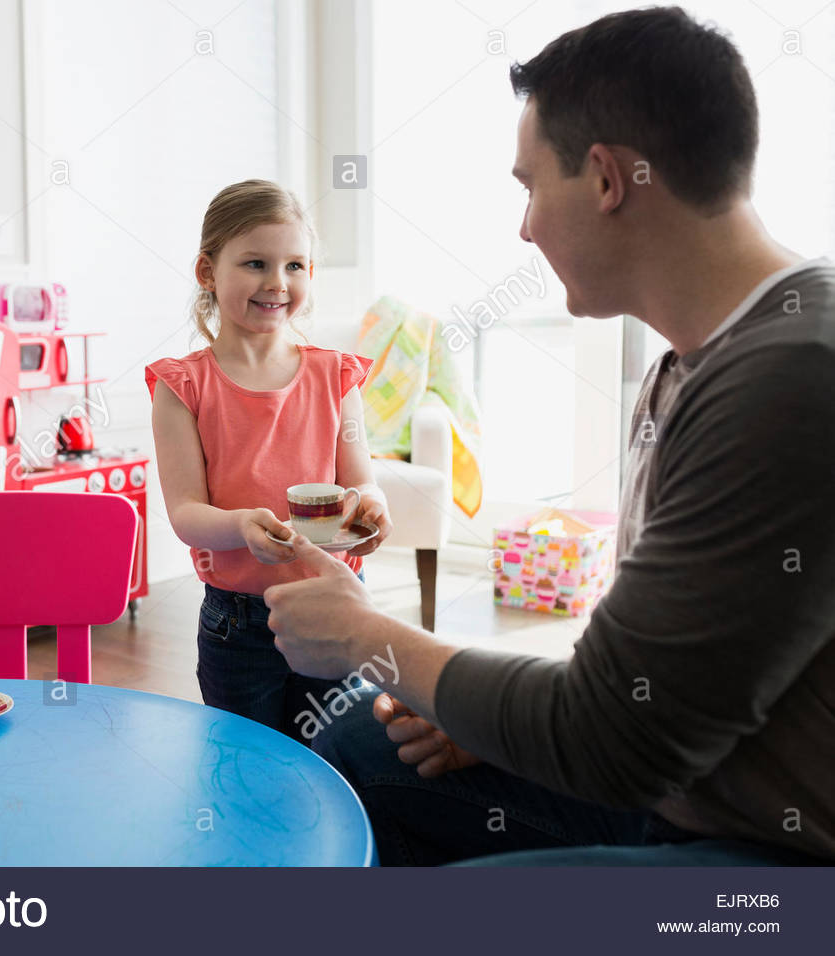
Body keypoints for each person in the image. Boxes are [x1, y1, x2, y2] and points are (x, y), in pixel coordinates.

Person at [265, 7, 834, 865]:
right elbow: (638, 670)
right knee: (361, 744)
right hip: (677, 786)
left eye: (530, 186)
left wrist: (365, 635)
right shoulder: (689, 364)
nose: (524, 227)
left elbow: (617, 735)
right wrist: (479, 718)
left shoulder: (790, 378)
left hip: (770, 852)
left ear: (607, 179)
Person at [147, 179, 393, 739]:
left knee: (336, 762)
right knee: (246, 768)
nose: (277, 283)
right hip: (239, 623)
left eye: (296, 266)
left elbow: (362, 484)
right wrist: (240, 526)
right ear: (207, 272)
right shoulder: (182, 385)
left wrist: (373, 510)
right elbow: (186, 512)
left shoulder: (336, 376)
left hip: (334, 605)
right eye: (256, 263)